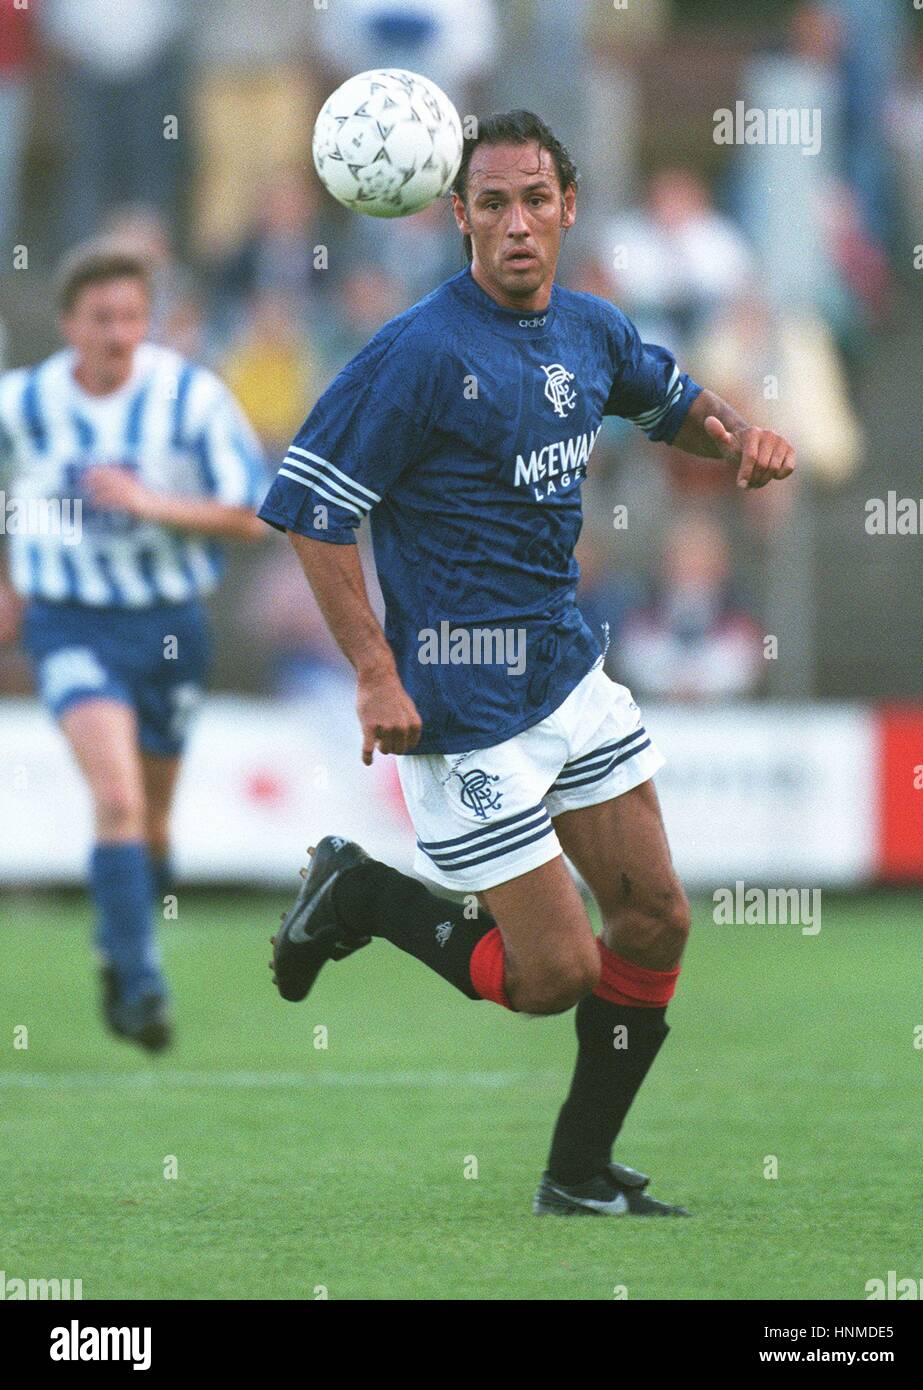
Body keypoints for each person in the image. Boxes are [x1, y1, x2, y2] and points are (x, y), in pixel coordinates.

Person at [258, 112, 796, 1216]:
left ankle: (576, 1172)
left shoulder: (588, 330)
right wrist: (372, 669)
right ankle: (361, 891)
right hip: (457, 697)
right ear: (456, 217)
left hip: (563, 666)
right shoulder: (415, 351)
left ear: (567, 210)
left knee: (653, 920)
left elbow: (669, 399)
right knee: (552, 976)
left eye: (534, 200)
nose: (515, 223)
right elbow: (312, 511)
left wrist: (738, 436)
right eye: (491, 203)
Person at [0, 244, 267, 1050]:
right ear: (69, 324)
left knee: (151, 824)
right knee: (114, 798)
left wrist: (149, 504)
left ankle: (121, 942)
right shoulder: (23, 404)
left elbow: (256, 513)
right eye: (100, 318)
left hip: (171, 626)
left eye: (131, 317)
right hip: (71, 622)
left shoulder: (191, 400)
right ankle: (140, 987)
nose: (118, 333)